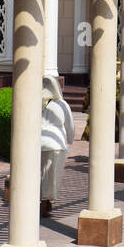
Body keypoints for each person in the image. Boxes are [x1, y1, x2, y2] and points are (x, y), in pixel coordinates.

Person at [39, 76, 75, 216]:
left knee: (41, 174)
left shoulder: (38, 104)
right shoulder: (62, 104)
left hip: (40, 144)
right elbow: (69, 125)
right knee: (53, 175)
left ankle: (43, 201)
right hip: (57, 144)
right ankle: (46, 202)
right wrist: (70, 139)